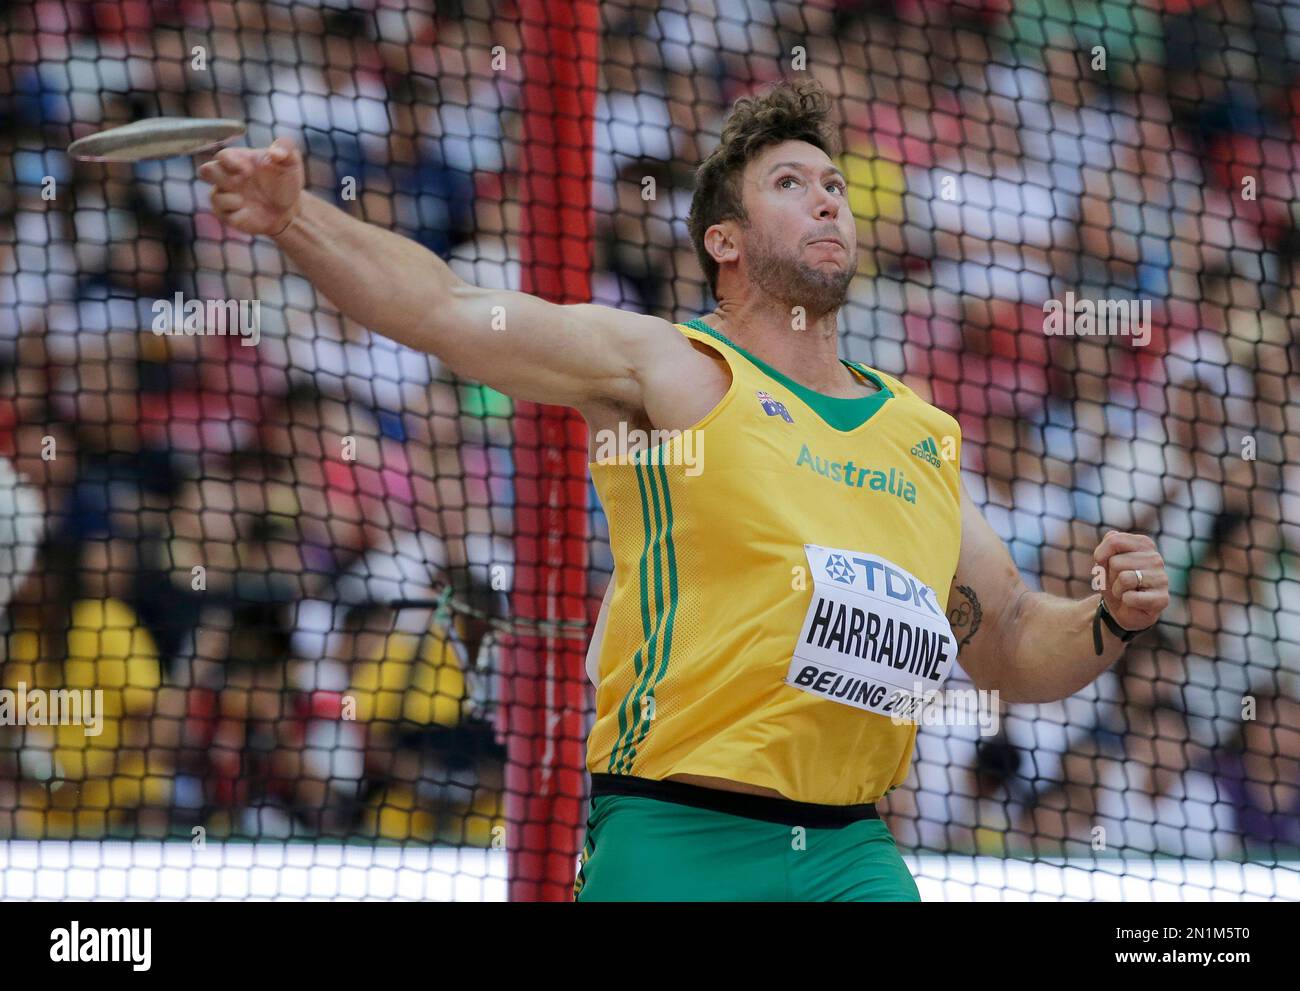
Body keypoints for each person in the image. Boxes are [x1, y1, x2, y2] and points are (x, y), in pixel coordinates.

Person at [197, 78, 1171, 901]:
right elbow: (449, 311)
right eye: (790, 184)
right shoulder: (668, 368)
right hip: (675, 833)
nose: (829, 199)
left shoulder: (916, 432)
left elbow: (1004, 637)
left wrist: (1108, 618)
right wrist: (295, 218)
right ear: (725, 242)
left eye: (834, 183)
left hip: (851, 851)